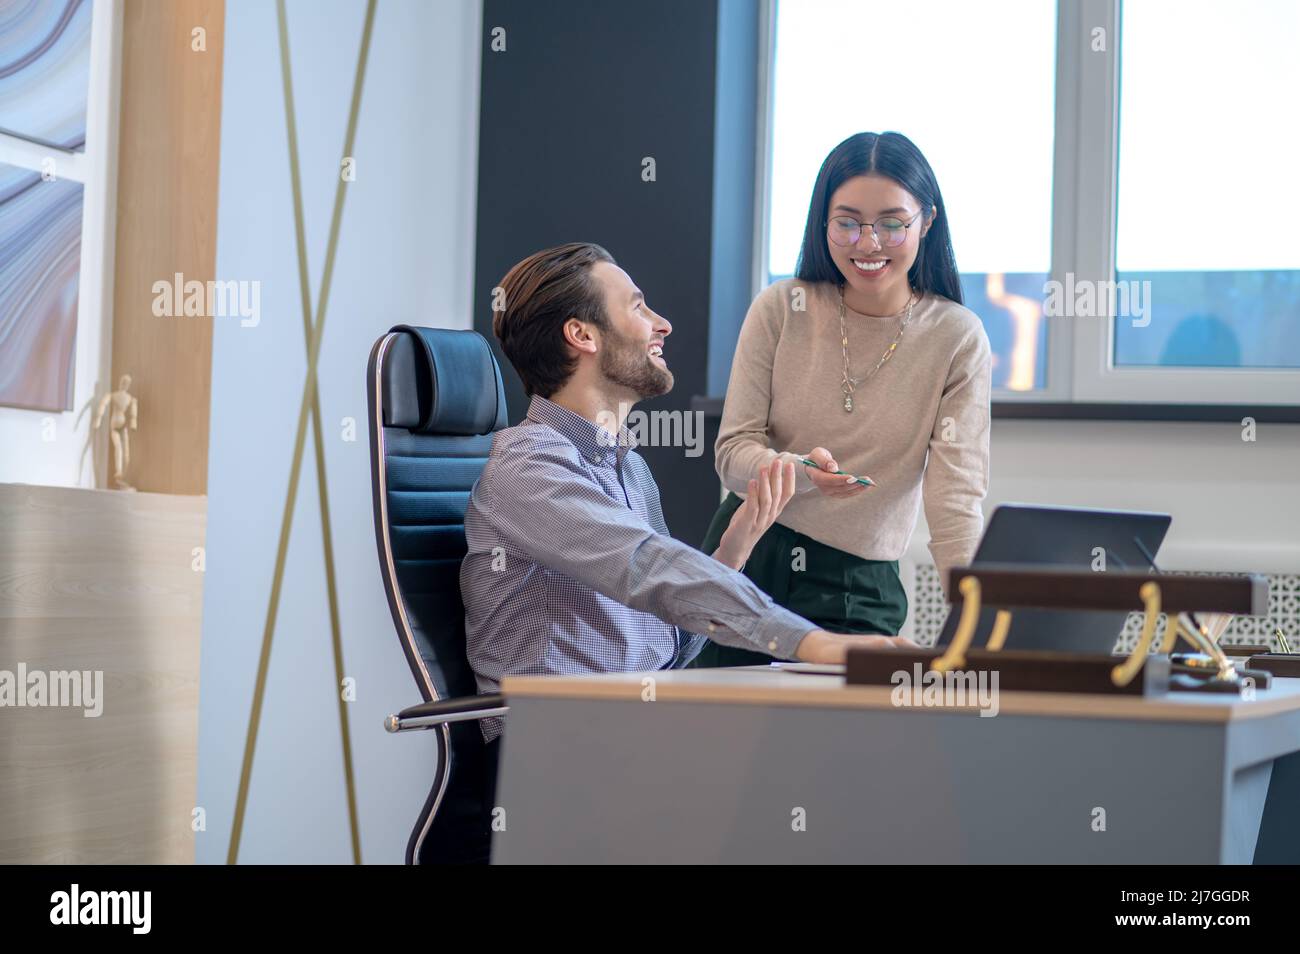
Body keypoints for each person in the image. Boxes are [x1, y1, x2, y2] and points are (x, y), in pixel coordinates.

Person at [460, 241, 917, 754]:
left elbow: (665, 645)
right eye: (637, 306)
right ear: (581, 335)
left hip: (629, 731)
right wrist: (815, 642)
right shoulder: (529, 466)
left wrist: (732, 553)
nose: (663, 324)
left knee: (829, 741)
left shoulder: (627, 467)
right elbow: (645, 566)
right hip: (554, 750)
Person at [693, 131, 992, 668]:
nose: (868, 243)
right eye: (848, 222)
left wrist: (976, 621)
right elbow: (733, 453)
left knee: (837, 748)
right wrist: (797, 470)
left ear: (927, 221)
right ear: (822, 223)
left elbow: (954, 499)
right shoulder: (782, 308)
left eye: (892, 223)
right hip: (747, 552)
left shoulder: (956, 337)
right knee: (719, 741)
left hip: (858, 582)